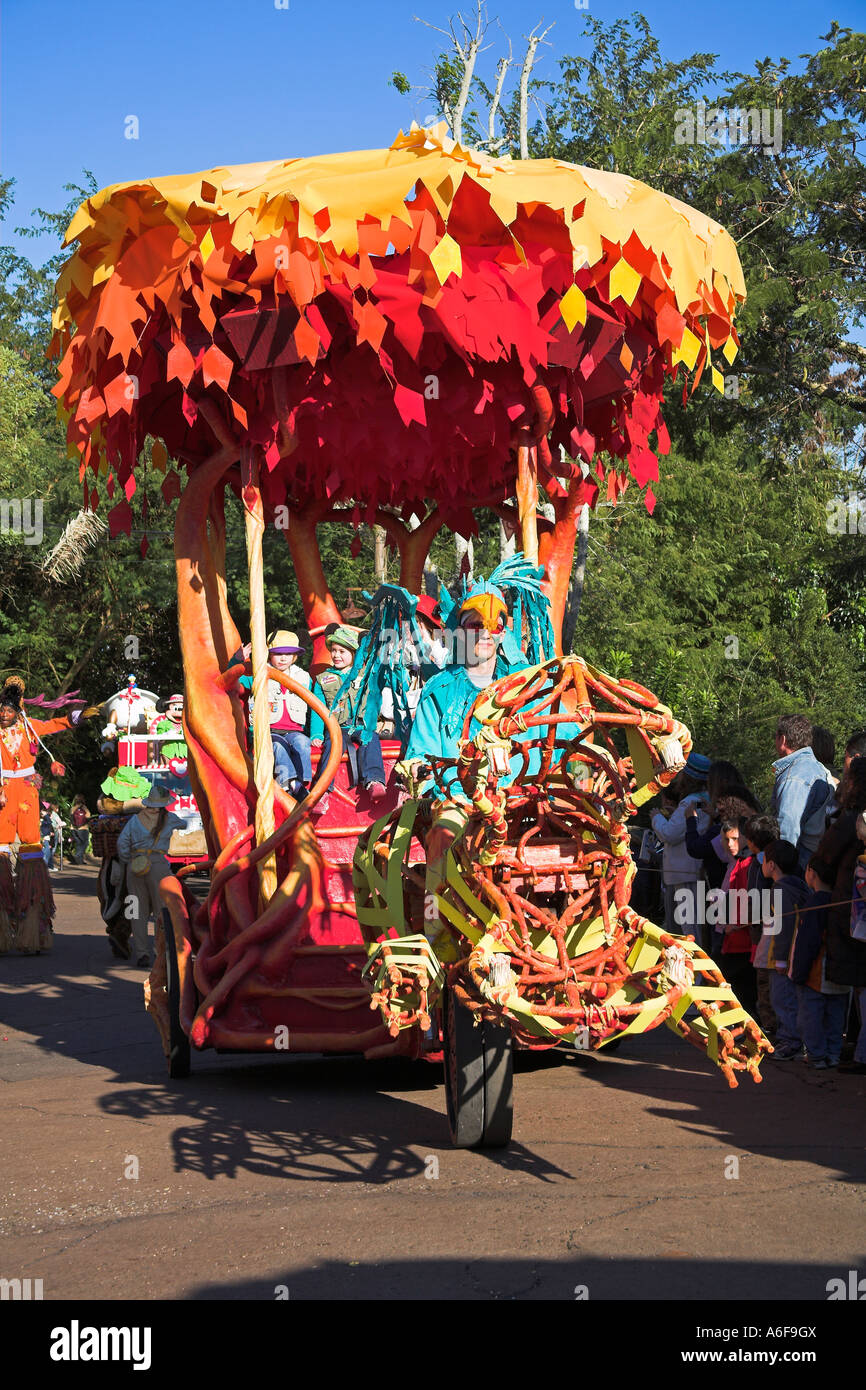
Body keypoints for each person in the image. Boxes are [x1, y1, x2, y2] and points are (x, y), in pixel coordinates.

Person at [0, 677, 95, 952]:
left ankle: (35, 931)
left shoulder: (30, 728)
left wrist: (74, 718)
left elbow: (55, 725)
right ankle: (4, 928)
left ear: (18, 712)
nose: (3, 715)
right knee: (1, 852)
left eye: (8, 710)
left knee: (31, 850)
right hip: (4, 792)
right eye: (1, 710)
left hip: (28, 790)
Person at [816, 756, 866, 1073]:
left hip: (855, 910)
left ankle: (863, 1054)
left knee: (862, 985)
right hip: (855, 907)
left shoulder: (850, 822)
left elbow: (824, 858)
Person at [240, 631, 325, 798]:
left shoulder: (303, 677)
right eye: (278, 654)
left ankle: (302, 782)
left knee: (302, 743)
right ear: (269, 655)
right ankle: (291, 783)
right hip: (268, 730)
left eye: (288, 653)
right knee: (277, 747)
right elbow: (233, 681)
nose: (283, 658)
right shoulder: (258, 673)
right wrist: (239, 661)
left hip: (294, 730)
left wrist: (316, 733)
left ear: (295, 656)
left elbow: (316, 707)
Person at [789, 855, 850, 1069]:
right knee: (835, 1016)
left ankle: (816, 1055)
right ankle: (833, 1054)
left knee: (812, 1015)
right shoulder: (842, 898)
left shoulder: (815, 902)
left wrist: (798, 972)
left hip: (817, 971)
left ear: (811, 873)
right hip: (842, 970)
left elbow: (808, 942)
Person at [116, 784, 185, 967]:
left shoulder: (134, 820)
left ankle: (141, 953)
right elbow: (185, 824)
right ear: (164, 804)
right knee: (162, 911)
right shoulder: (170, 819)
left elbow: (122, 843)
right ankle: (161, 951)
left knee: (137, 911)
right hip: (158, 866)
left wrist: (128, 860)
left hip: (135, 867)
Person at [318, 625, 387, 800]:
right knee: (332, 746)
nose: (336, 655)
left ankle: (375, 781)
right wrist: (316, 733)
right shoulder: (323, 679)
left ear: (355, 654)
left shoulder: (366, 675)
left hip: (360, 724)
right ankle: (323, 790)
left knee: (370, 737)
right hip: (337, 726)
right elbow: (318, 709)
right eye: (333, 650)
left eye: (342, 651)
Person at [650, 754, 711, 942]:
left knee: (689, 931)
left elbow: (670, 833)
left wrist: (656, 817)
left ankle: (697, 971)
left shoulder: (689, 802)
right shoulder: (706, 799)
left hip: (683, 872)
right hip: (691, 871)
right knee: (692, 926)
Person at [760, 839, 808, 1059]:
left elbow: (783, 924)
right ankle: (794, 1040)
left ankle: (790, 1043)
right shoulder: (798, 885)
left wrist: (780, 958)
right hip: (796, 953)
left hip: (783, 957)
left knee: (783, 999)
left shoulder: (779, 890)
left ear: (772, 865)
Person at [770, 714, 830, 858]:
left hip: (798, 858)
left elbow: (788, 827)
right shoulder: (816, 767)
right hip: (811, 855)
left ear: (783, 739)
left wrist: (779, 866)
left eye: (775, 736)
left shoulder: (794, 777)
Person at [742, 812, 780, 1039]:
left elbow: (756, 895)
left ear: (752, 840)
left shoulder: (761, 863)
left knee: (765, 979)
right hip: (775, 927)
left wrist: (753, 918)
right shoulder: (783, 855)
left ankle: (770, 1026)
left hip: (766, 929)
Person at [70, 793, 93, 865]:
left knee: (78, 844)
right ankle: (78, 855)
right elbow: (88, 815)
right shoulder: (84, 807)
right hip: (83, 828)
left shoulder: (73, 808)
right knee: (85, 843)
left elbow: (71, 817)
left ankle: (79, 861)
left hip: (73, 828)